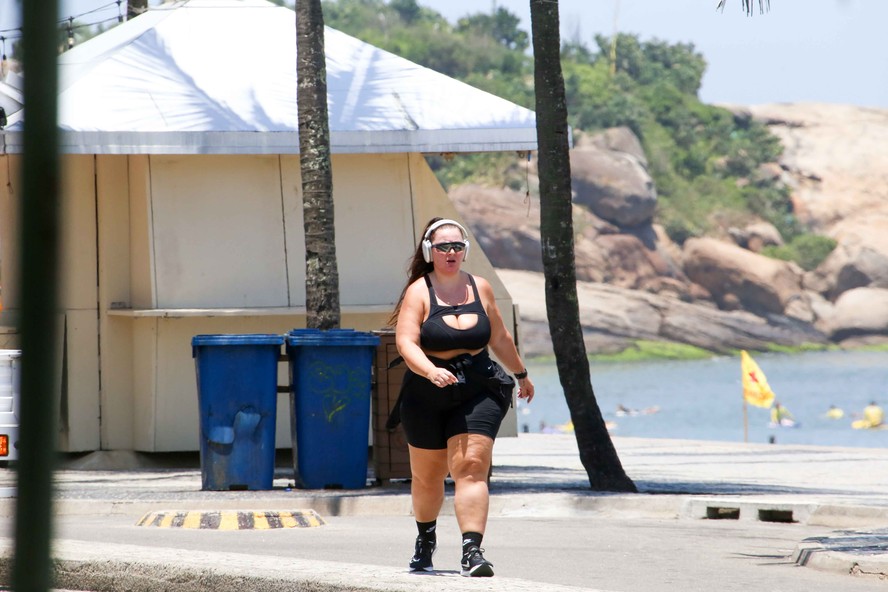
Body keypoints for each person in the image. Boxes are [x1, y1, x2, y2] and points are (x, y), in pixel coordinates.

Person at [389, 217, 534, 577]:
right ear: (429, 251)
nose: (450, 253)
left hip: (478, 387)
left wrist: (521, 374)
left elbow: (499, 337)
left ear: (465, 251)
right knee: (428, 476)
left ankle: (472, 550)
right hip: (427, 391)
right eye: (443, 247)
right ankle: (426, 539)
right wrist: (429, 370)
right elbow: (406, 341)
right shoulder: (419, 292)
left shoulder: (480, 287)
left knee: (470, 467)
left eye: (457, 246)